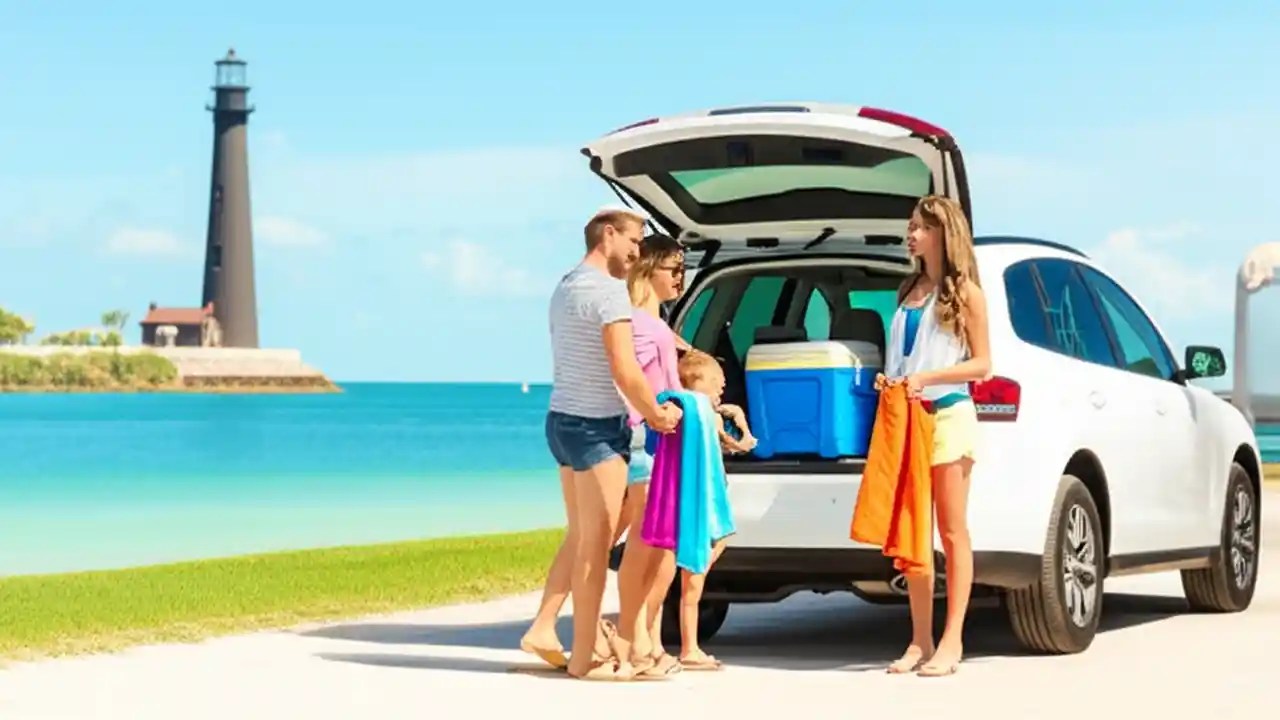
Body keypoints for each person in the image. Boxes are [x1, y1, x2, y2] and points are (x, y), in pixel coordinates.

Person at [528, 208, 682, 682]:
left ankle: (567, 639)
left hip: (561, 423)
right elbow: (623, 367)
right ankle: (583, 660)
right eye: (634, 240)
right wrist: (657, 414)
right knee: (596, 547)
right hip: (596, 428)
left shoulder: (566, 284)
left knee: (582, 539)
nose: (638, 250)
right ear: (608, 235)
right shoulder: (610, 291)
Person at [877, 195, 991, 677]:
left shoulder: (966, 293)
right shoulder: (908, 290)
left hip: (947, 416)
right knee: (912, 533)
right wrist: (894, 379)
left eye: (920, 227)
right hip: (906, 420)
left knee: (951, 531)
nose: (911, 235)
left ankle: (952, 640)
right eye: (910, 227)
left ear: (943, 233)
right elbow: (903, 358)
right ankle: (919, 640)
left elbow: (984, 365)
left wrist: (930, 379)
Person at [669, 348, 753, 670]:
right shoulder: (694, 412)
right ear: (697, 381)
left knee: (716, 548)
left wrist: (740, 423)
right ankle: (689, 648)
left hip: (711, 504)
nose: (723, 387)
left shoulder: (709, 415)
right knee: (693, 583)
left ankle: (690, 646)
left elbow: (743, 445)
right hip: (700, 505)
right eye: (717, 381)